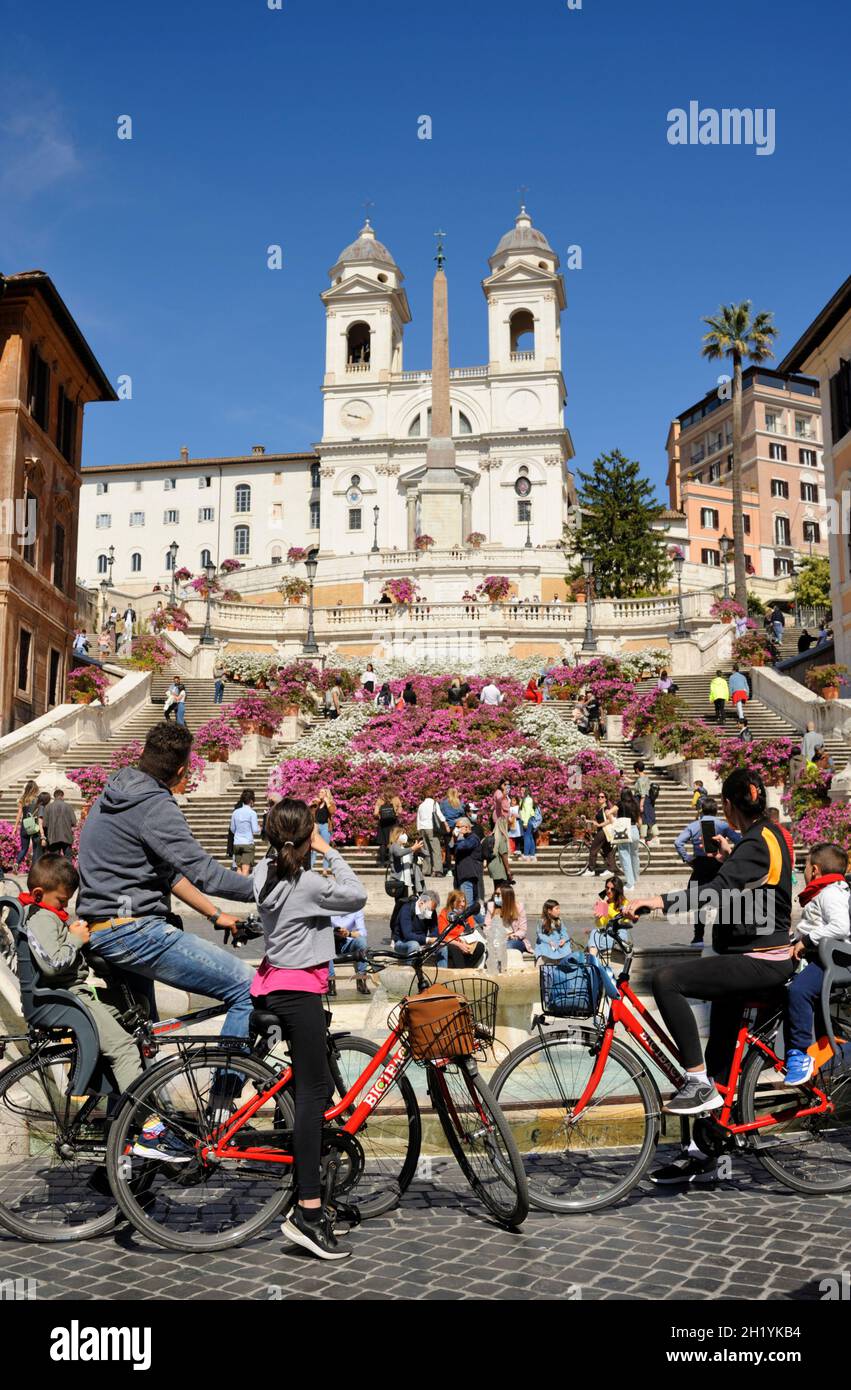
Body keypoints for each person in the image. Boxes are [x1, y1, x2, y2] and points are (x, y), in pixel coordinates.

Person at [76, 722, 257, 1065]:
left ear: (143, 755)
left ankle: (135, 1115)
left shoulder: (112, 794)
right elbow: (206, 875)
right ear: (180, 770)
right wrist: (271, 888)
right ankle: (222, 1107)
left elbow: (169, 875)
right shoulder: (155, 806)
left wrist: (216, 915)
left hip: (103, 929)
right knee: (247, 987)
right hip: (135, 931)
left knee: (142, 1036)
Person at [630, 768, 795, 1139]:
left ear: (729, 804)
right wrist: (730, 857)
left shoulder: (755, 843)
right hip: (754, 956)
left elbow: (716, 891)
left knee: (667, 980)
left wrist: (656, 901)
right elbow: (753, 881)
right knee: (719, 1058)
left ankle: (696, 1081)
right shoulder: (768, 835)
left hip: (758, 960)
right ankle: (704, 1149)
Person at [251, 797, 367, 1261]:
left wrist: (302, 841)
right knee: (313, 1097)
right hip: (300, 993)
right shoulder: (308, 883)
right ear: (305, 836)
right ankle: (309, 1210)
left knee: (303, 1088)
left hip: (272, 982)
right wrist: (327, 846)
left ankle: (305, 1181)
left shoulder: (265, 873)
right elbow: (357, 894)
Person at [21, 855, 140, 1094]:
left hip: (72, 994)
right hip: (68, 997)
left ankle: (106, 1087)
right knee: (124, 1048)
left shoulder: (45, 913)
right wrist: (75, 939)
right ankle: (148, 1125)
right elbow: (53, 963)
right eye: (61, 902)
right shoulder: (42, 918)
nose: (64, 908)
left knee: (133, 1009)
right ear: (37, 893)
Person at [784, 842, 851, 1086]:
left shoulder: (831, 892)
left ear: (814, 870)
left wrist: (806, 940)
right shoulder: (827, 891)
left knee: (799, 991)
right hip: (825, 956)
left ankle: (799, 1054)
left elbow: (840, 926)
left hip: (834, 959)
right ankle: (832, 1050)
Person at [674, 797, 741, 946]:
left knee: (698, 901)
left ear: (701, 810)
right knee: (724, 900)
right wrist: (730, 856)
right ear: (716, 810)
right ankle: (724, 936)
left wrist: (688, 858)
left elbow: (678, 842)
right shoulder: (723, 826)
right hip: (719, 864)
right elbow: (739, 840)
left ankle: (698, 937)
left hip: (700, 865)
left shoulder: (693, 825)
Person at [327, 907, 369, 997]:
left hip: (348, 942)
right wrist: (334, 933)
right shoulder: (327, 908)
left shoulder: (356, 909)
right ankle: (331, 981)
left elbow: (363, 932)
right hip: (330, 942)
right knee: (325, 942)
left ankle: (361, 978)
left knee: (362, 941)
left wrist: (348, 933)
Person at [393, 889, 442, 962]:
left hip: (422, 941)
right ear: (421, 903)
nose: (430, 913)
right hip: (402, 942)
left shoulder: (431, 911)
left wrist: (433, 939)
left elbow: (434, 929)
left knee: (442, 946)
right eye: (429, 909)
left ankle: (441, 970)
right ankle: (411, 971)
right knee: (414, 945)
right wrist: (427, 940)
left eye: (432, 910)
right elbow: (408, 935)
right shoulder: (406, 909)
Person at [439, 889, 482, 968]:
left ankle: (466, 969)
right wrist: (459, 944)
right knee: (456, 949)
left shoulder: (466, 914)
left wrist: (466, 943)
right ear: (452, 903)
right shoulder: (444, 914)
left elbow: (471, 931)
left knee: (480, 946)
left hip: (465, 942)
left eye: (464, 901)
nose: (462, 904)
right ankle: (461, 972)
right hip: (451, 943)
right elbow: (442, 937)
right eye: (459, 901)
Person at [485, 885, 532, 955]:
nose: (495, 897)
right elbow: (487, 927)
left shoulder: (519, 908)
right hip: (496, 939)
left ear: (506, 897)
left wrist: (514, 935)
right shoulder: (491, 907)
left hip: (513, 940)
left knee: (508, 946)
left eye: (498, 895)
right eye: (495, 894)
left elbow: (523, 930)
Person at [583, 791, 618, 877]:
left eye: (602, 797)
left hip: (604, 832)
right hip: (603, 832)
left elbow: (610, 820)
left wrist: (599, 825)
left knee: (593, 849)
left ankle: (591, 869)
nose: (600, 798)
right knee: (608, 851)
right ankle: (611, 869)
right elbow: (598, 821)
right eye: (598, 797)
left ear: (606, 799)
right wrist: (587, 821)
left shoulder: (606, 809)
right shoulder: (601, 809)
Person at [453, 817, 484, 908]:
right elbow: (453, 849)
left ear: (466, 827)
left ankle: (475, 922)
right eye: (456, 827)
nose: (456, 829)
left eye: (458, 827)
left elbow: (463, 847)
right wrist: (455, 838)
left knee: (467, 905)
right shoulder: (464, 838)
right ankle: (479, 921)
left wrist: (460, 837)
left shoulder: (473, 838)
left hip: (468, 876)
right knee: (468, 906)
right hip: (461, 875)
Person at [612, 789, 641, 890]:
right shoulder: (635, 803)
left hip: (623, 830)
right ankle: (635, 878)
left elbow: (609, 813)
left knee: (625, 856)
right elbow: (639, 821)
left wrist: (614, 821)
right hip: (634, 830)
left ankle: (630, 883)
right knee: (634, 855)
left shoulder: (620, 803)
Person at [416, 791, 447, 877]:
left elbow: (418, 818)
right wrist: (445, 824)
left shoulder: (421, 805)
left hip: (423, 828)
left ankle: (426, 870)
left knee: (426, 850)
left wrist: (419, 830)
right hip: (431, 828)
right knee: (436, 849)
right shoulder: (434, 803)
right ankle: (437, 871)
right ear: (432, 795)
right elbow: (439, 815)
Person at [230, 790, 260, 876]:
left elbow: (232, 828)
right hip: (247, 843)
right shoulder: (252, 813)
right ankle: (243, 888)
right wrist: (260, 828)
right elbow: (255, 830)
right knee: (246, 869)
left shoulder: (235, 812)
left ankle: (237, 887)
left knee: (239, 868)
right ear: (251, 801)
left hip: (237, 843)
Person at [42, 789, 76, 860]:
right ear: (62, 796)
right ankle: (67, 871)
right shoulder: (69, 806)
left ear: (54, 797)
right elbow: (74, 822)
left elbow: (44, 824)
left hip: (53, 837)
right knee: (68, 860)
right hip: (66, 837)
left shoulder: (48, 807)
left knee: (55, 860)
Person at [13, 779, 41, 868]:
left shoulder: (23, 799)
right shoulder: (38, 800)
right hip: (34, 826)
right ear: (35, 788)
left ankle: (17, 862)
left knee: (24, 848)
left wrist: (15, 828)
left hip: (25, 826)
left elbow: (19, 814)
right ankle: (34, 869)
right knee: (36, 849)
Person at [374, 790, 401, 868]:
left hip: (383, 824)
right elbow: (399, 812)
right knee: (393, 842)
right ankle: (391, 862)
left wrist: (380, 815)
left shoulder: (380, 800)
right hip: (393, 823)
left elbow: (375, 813)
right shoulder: (396, 799)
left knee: (383, 843)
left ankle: (382, 863)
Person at [633, 762, 659, 843]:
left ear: (637, 769)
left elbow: (643, 794)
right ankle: (655, 837)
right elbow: (638, 785)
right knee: (651, 818)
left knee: (643, 819)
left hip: (643, 800)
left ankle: (642, 838)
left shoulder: (641, 780)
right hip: (648, 801)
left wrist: (641, 805)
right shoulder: (645, 778)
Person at [311, 787, 335, 871]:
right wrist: (312, 803)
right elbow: (309, 811)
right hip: (316, 827)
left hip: (325, 826)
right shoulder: (317, 803)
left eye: (322, 792)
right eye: (319, 792)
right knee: (313, 848)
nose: (319, 793)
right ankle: (311, 868)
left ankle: (325, 869)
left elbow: (332, 812)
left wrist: (327, 801)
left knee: (325, 848)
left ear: (326, 794)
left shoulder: (330, 802)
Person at [488, 815, 514, 889]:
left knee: (496, 888)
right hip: (499, 868)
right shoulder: (502, 838)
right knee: (502, 889)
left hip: (492, 866)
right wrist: (508, 871)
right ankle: (499, 900)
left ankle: (496, 900)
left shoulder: (492, 836)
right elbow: (504, 855)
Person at [518, 786, 539, 860]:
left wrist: (525, 823)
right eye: (520, 790)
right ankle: (532, 855)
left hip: (527, 820)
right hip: (529, 819)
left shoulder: (527, 800)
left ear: (527, 791)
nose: (521, 791)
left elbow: (527, 812)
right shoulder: (527, 799)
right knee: (530, 836)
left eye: (523, 790)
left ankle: (526, 855)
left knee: (527, 837)